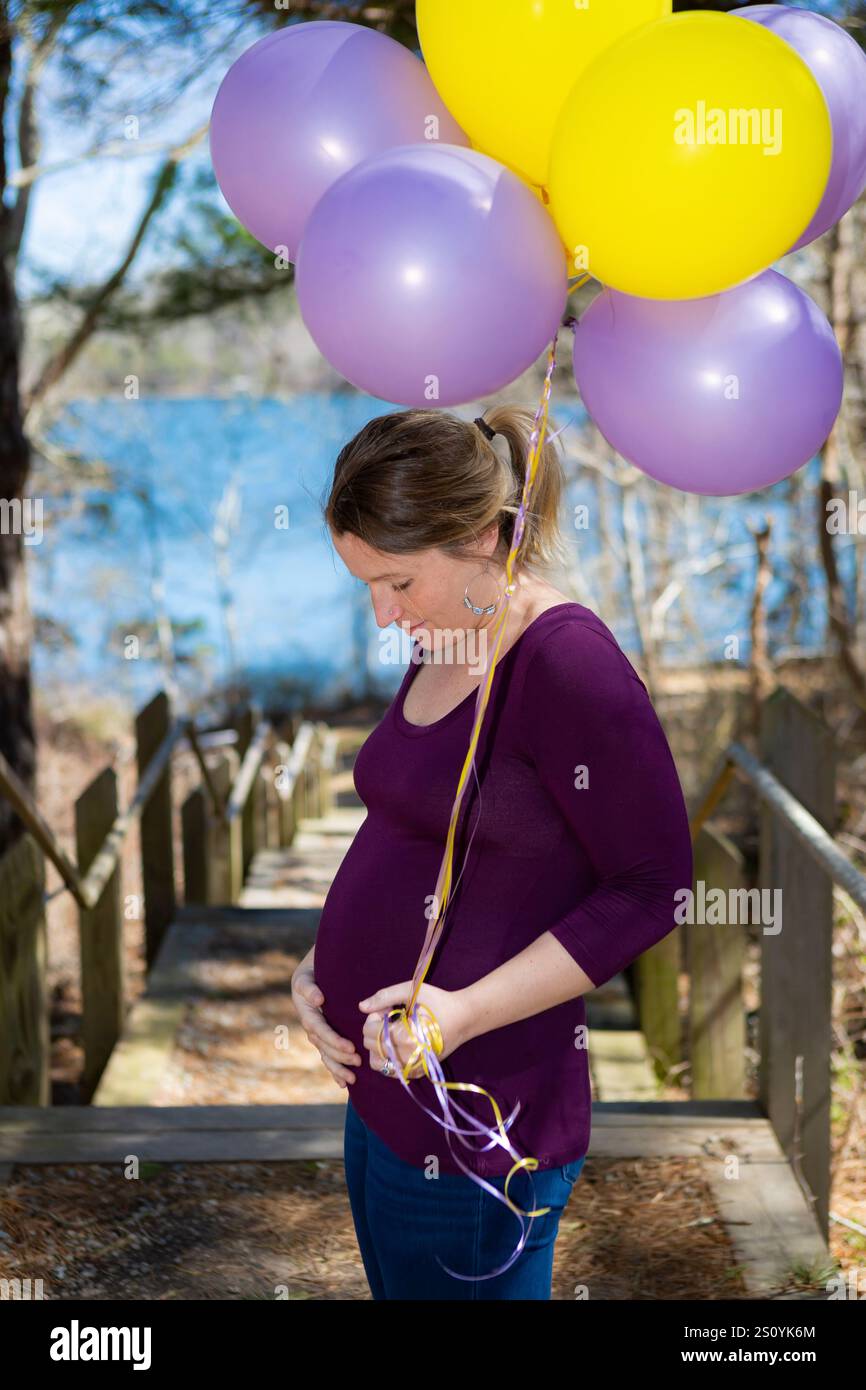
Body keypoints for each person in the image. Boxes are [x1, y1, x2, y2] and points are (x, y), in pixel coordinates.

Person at [290, 405, 693, 1300]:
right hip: (384, 1089)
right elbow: (419, 828)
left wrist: (463, 1012)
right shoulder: (451, 631)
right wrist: (319, 966)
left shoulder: (565, 662)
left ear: (481, 539)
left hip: (477, 1112)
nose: (382, 614)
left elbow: (654, 885)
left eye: (396, 582)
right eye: (365, 584)